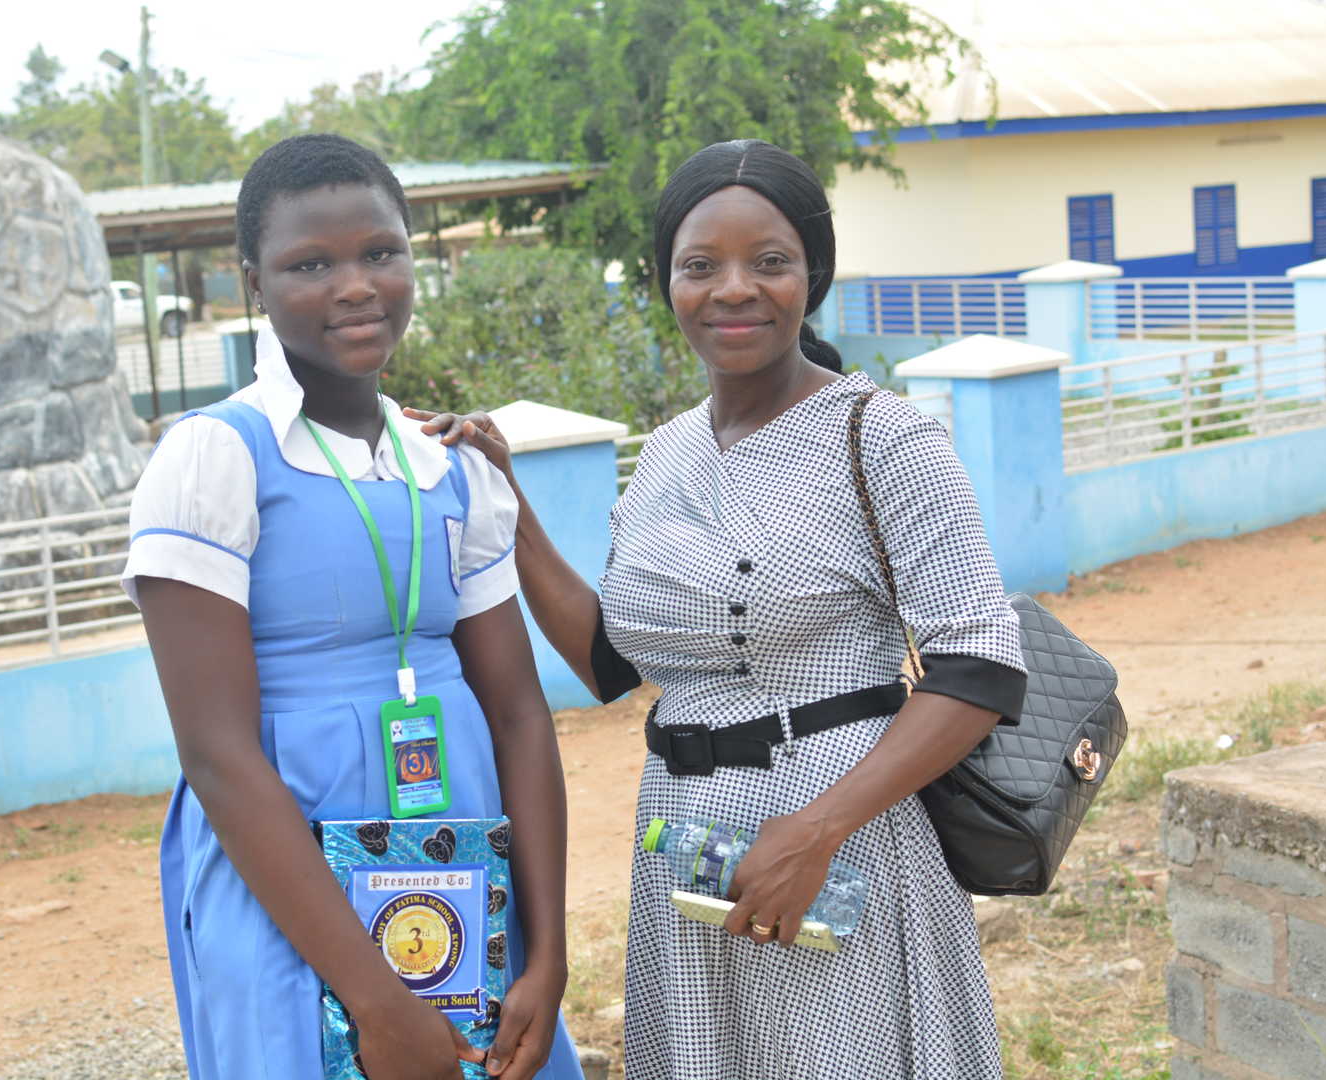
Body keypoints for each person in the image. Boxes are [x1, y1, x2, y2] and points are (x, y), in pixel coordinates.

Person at [410, 139, 1028, 1079]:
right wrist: (508, 501)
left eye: (769, 262)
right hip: (688, 847)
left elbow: (980, 667)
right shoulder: (663, 456)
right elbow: (610, 661)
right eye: (702, 266)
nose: (734, 289)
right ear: (669, 282)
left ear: (810, 275)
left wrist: (815, 832)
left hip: (843, 846)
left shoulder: (882, 434)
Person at [122, 134, 585, 1080]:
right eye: (310, 264)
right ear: (253, 284)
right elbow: (216, 750)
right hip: (294, 903)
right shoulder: (217, 459)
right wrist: (375, 1001)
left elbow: (518, 713)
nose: (355, 286)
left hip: (466, 889)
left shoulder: (452, 467)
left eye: (381, 252)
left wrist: (546, 952)